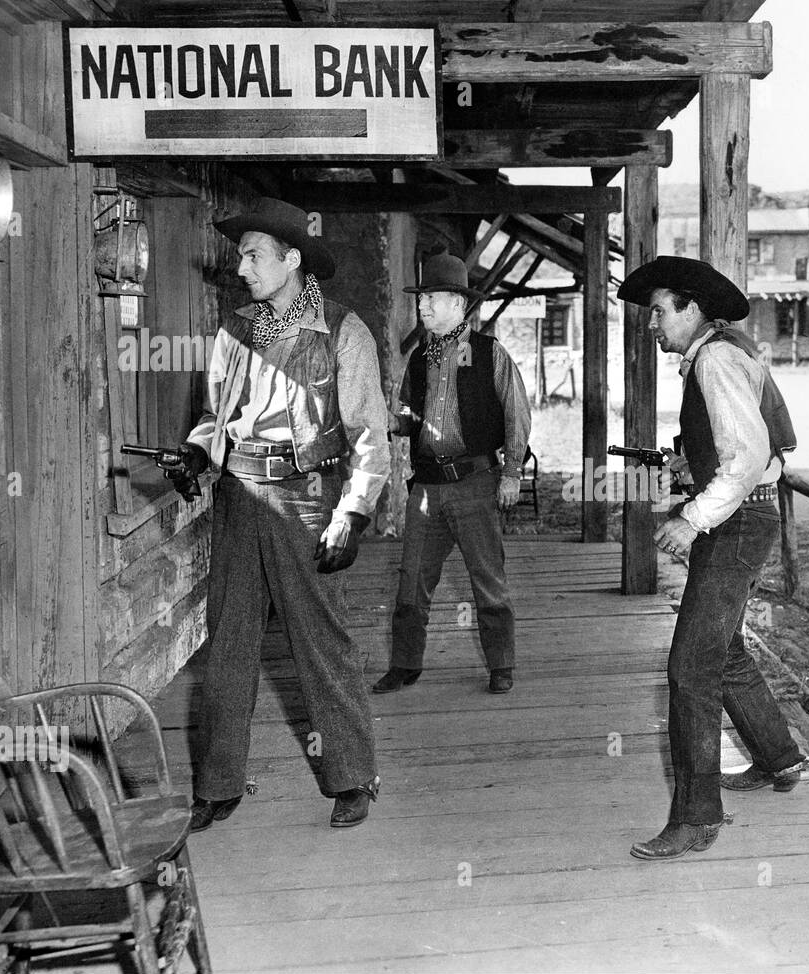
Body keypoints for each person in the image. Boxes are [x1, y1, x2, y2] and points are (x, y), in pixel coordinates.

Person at [157, 197, 391, 830]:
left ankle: (351, 776)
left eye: (253, 255)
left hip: (307, 499)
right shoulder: (235, 331)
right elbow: (214, 417)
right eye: (240, 255)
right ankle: (219, 784)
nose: (242, 268)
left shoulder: (344, 332)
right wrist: (196, 457)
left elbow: (371, 435)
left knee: (321, 641)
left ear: (292, 260)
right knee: (230, 641)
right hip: (239, 496)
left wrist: (354, 513)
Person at [617, 255, 805, 861]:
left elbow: (746, 457)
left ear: (691, 309)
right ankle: (780, 757)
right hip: (745, 515)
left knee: (688, 670)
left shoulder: (717, 359)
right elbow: (738, 447)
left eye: (659, 311)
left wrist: (692, 516)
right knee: (720, 653)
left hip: (737, 521)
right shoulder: (718, 352)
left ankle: (697, 817)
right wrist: (687, 467)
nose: (652, 324)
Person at [374, 253, 531, 696]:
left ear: (460, 305)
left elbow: (517, 414)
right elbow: (408, 413)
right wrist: (392, 421)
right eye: (421, 299)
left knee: (488, 581)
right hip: (425, 488)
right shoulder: (419, 358)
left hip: (475, 484)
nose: (422, 308)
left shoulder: (489, 353)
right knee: (411, 581)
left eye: (432, 300)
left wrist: (512, 474)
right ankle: (406, 664)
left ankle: (501, 666)